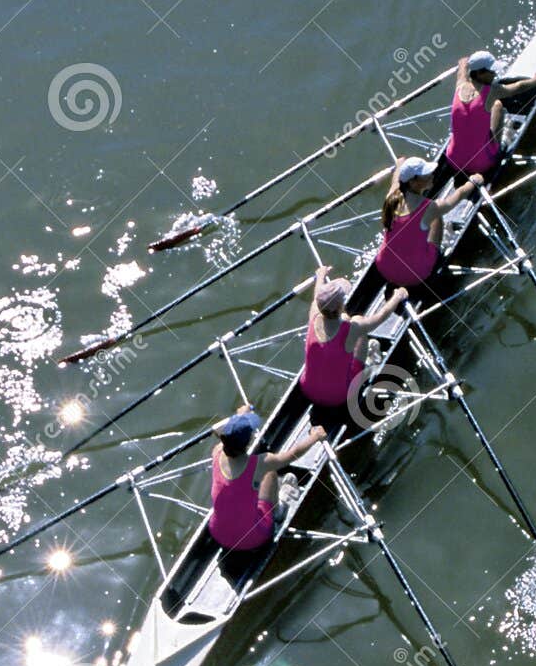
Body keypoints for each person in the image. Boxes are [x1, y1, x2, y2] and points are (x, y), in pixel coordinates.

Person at [297, 266, 410, 427]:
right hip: (338, 397)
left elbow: (317, 296)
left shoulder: (314, 313)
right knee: (360, 329)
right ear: (339, 306)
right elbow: (382, 315)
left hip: (307, 389)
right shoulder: (353, 327)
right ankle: (366, 363)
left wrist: (320, 274)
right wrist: (398, 296)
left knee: (347, 323)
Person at [207, 404, 326, 553]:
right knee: (270, 474)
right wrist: (315, 437)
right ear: (249, 440)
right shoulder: (260, 464)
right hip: (254, 539)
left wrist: (240, 417)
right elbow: (292, 454)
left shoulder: (217, 452)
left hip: (218, 534)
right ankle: (278, 511)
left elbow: (217, 431)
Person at [376, 156, 484, 294]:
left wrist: (399, 166)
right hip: (415, 275)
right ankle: (440, 249)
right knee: (437, 218)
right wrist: (473, 182)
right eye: (425, 175)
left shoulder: (392, 197)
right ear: (413, 182)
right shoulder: (429, 208)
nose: (431, 175)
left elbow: (395, 181)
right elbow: (457, 196)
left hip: (384, 269)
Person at [444, 50, 536, 178]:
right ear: (480, 73)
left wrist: (465, 62)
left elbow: (462, 65)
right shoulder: (492, 91)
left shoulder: (460, 85)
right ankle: (503, 142)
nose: (495, 73)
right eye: (491, 71)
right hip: (481, 164)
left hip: (453, 160)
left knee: (494, 106)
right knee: (498, 105)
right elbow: (519, 87)